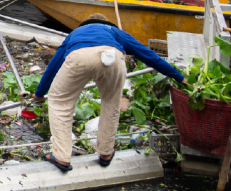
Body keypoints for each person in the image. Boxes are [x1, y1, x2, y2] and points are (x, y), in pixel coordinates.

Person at [32, 17, 184, 172]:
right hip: (113, 57)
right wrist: (180, 77)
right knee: (111, 102)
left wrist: (39, 94)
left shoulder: (75, 33)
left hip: (79, 57)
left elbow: (54, 65)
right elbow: (149, 56)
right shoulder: (116, 32)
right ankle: (106, 153)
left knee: (60, 102)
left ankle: (62, 157)